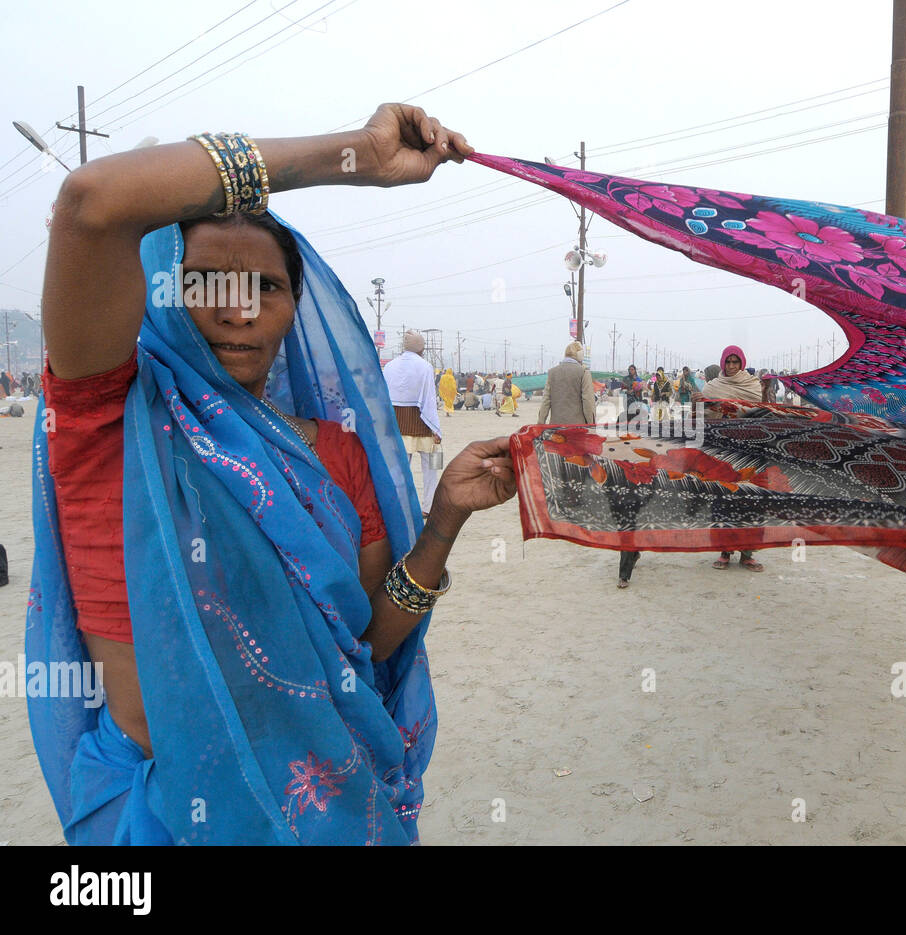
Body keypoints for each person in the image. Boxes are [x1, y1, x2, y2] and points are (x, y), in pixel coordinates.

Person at [29, 104, 519, 845]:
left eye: (265, 287)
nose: (239, 311)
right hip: (158, 821)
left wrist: (444, 517)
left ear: (296, 306)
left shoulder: (335, 453)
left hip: (323, 798)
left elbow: (369, 641)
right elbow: (92, 204)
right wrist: (355, 155)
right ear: (160, 290)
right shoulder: (106, 419)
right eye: (206, 284)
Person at [693, 345, 765, 571]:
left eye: (736, 362)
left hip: (748, 448)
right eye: (728, 362)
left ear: (741, 363)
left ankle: (747, 553)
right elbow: (703, 418)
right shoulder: (712, 387)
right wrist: (699, 402)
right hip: (722, 449)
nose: (732, 366)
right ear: (723, 363)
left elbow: (755, 412)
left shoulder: (752, 385)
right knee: (722, 498)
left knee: (749, 500)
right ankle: (724, 550)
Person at [384, 331, 443, 516]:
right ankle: (429, 506)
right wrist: (436, 429)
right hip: (423, 422)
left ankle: (400, 507)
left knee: (400, 467)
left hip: (397, 423)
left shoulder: (389, 366)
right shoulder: (425, 367)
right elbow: (429, 399)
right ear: (421, 348)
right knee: (433, 466)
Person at [538, 341, 596, 425]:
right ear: (580, 355)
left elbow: (545, 401)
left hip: (555, 428)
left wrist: (540, 423)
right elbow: (588, 401)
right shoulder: (583, 372)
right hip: (577, 427)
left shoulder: (552, 372)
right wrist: (591, 424)